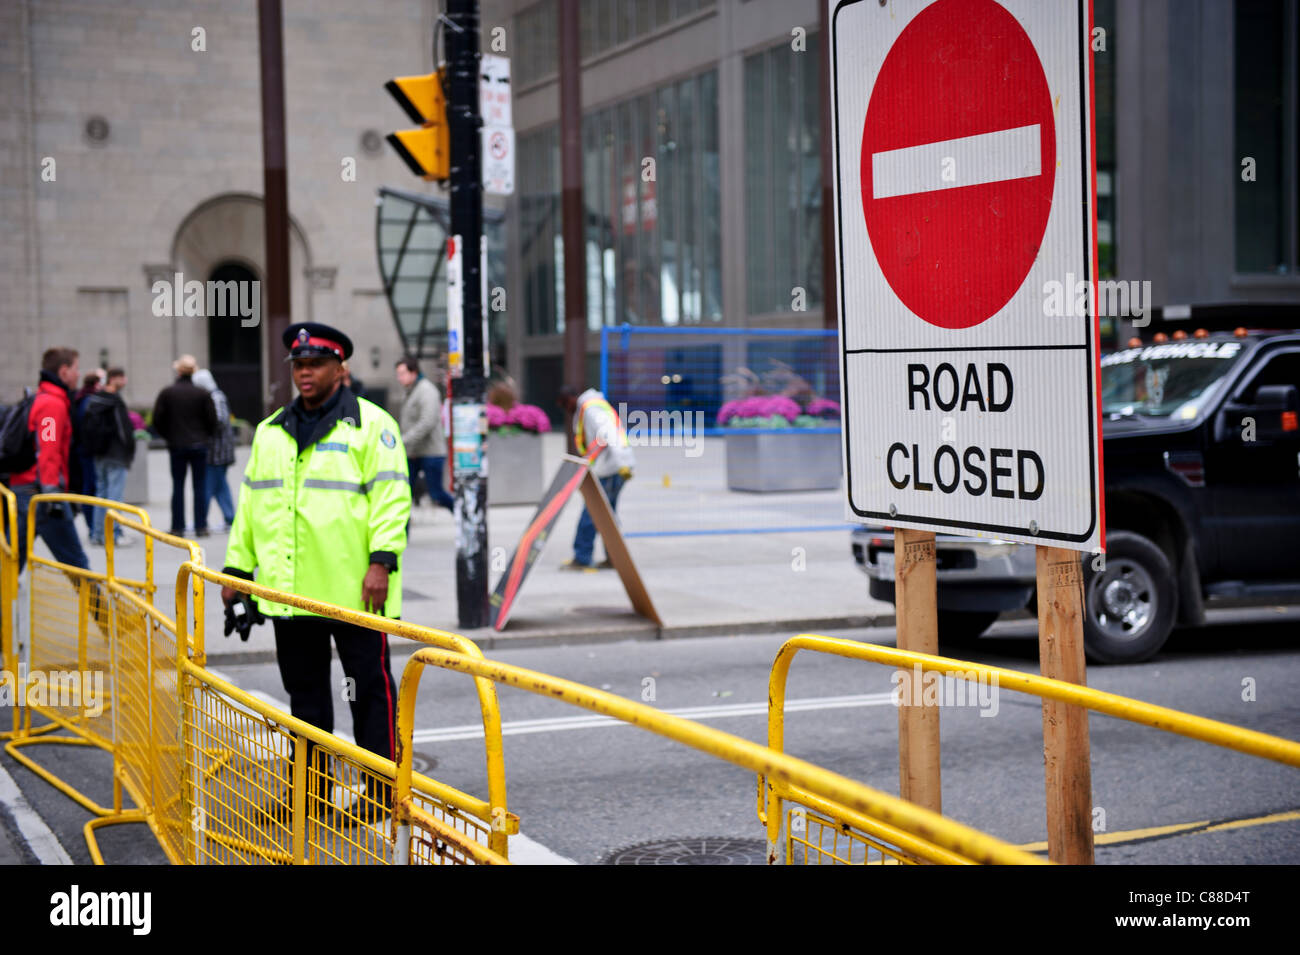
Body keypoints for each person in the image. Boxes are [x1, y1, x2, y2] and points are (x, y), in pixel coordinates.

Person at [220, 322, 410, 819]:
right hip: (291, 593)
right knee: (305, 698)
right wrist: (237, 569)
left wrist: (381, 562)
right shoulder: (270, 433)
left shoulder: (373, 425)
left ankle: (381, 789)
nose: (304, 372)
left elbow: (393, 499)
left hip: (356, 589)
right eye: (298, 365)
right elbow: (251, 507)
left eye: (315, 364)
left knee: (368, 692)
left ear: (339, 368)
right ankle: (311, 792)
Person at [8, 348, 91, 574]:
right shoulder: (52, 405)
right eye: (76, 368)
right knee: (78, 566)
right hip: (40, 493)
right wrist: (52, 497)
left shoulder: (42, 398)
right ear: (63, 372)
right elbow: (49, 450)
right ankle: (100, 609)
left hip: (26, 490)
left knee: (10, 562)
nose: (79, 374)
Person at [557, 385, 635, 570]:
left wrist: (620, 462)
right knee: (608, 516)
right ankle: (615, 558)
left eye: (564, 405)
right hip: (615, 466)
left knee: (592, 513)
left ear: (570, 399)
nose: (566, 411)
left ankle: (582, 557)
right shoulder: (594, 405)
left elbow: (608, 433)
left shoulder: (590, 409)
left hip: (611, 468)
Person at [152, 355, 217, 537]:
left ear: (179, 371)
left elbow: (157, 419)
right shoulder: (202, 393)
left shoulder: (168, 393)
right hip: (199, 445)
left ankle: (178, 527)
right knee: (199, 486)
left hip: (177, 445)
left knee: (178, 486)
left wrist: (169, 436)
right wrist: (205, 436)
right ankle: (201, 526)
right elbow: (213, 420)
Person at [83, 367, 136, 547]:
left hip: (99, 453)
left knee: (101, 494)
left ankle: (98, 534)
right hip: (116, 453)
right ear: (114, 379)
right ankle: (113, 534)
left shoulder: (95, 399)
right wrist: (129, 450)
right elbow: (124, 430)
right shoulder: (114, 401)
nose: (125, 381)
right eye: (123, 377)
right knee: (114, 497)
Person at [395, 356, 453, 513]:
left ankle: (461, 513)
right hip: (413, 452)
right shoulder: (409, 392)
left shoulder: (426, 391)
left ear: (414, 372)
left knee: (437, 493)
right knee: (404, 496)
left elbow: (427, 422)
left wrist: (403, 440)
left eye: (402, 373)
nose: (399, 378)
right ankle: (402, 536)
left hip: (431, 452)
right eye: (398, 374)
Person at [192, 368, 236, 531]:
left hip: (217, 451)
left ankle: (201, 520)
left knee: (208, 487)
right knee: (220, 486)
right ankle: (230, 518)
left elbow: (220, 421)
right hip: (220, 450)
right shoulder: (217, 396)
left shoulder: (214, 397)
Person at [72, 370, 103, 535]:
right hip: (88, 451)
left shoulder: (81, 398)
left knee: (88, 487)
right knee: (91, 489)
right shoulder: (89, 401)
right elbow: (89, 428)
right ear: (96, 384)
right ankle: (93, 527)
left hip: (82, 449)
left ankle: (93, 526)